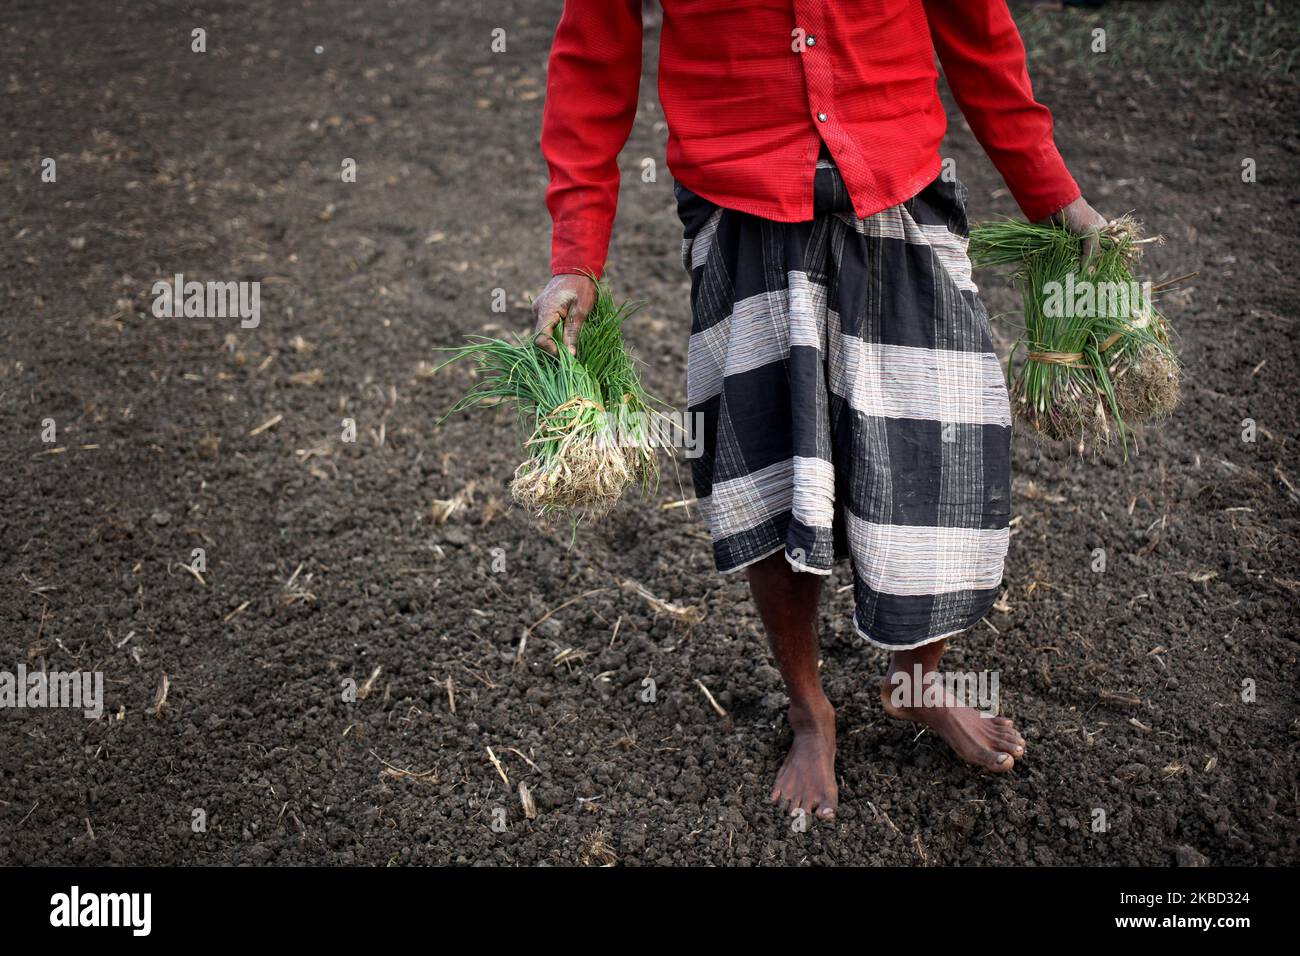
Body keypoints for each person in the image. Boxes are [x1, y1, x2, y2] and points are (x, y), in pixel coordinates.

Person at [531, 0, 1106, 822]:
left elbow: (976, 29)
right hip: (743, 208)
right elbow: (592, 60)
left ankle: (916, 680)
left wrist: (1054, 193)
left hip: (900, 185)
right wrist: (576, 254)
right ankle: (809, 708)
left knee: (945, 463)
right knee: (771, 475)